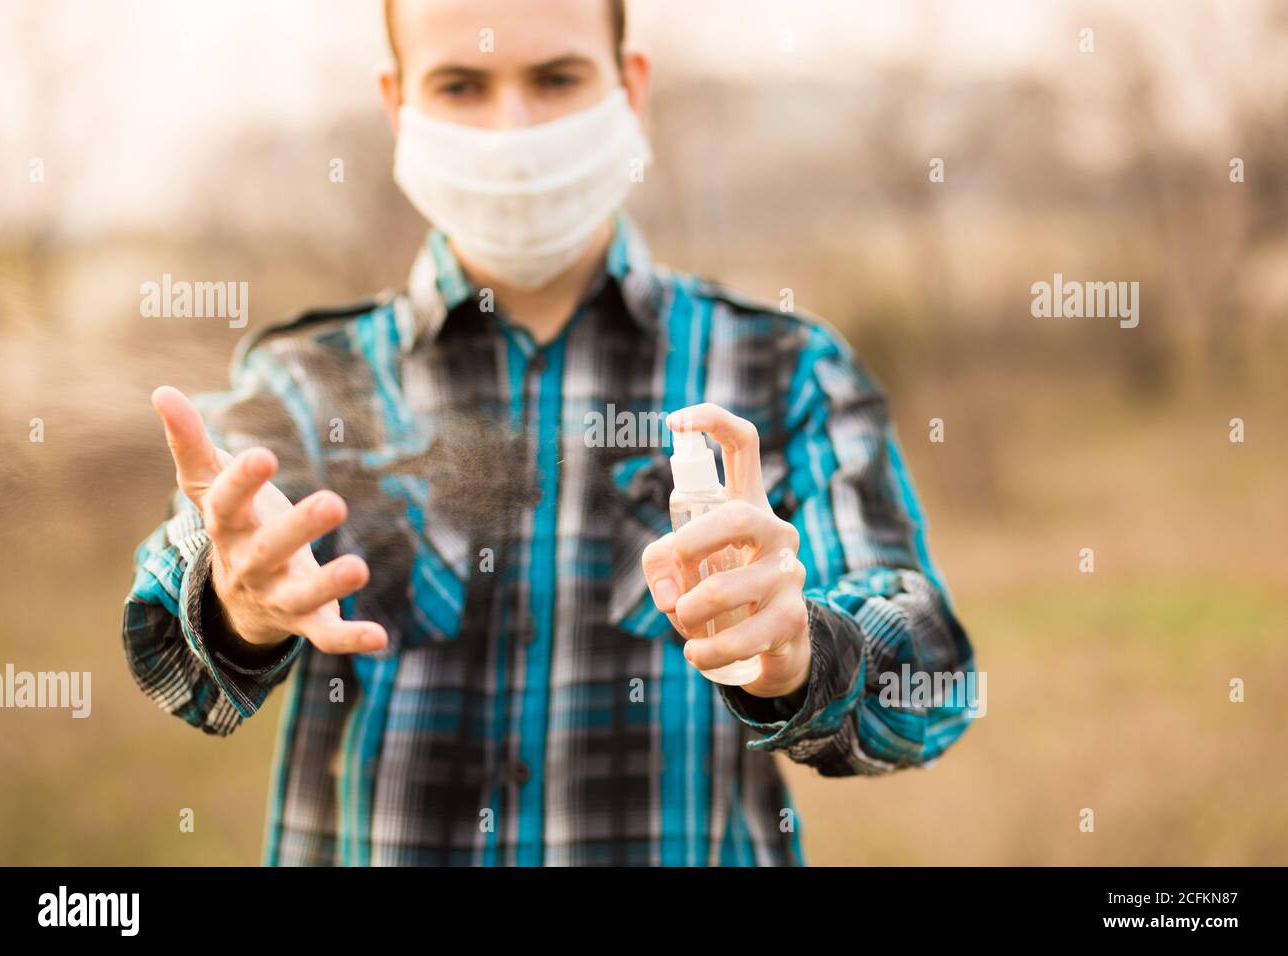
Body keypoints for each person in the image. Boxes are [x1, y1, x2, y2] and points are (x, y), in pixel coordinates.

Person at [122, 0, 976, 866]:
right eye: (461, 83)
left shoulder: (783, 368)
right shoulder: (304, 380)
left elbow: (931, 677)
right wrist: (233, 607)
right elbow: (176, 662)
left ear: (628, 87)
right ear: (398, 104)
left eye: (556, 78)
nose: (512, 127)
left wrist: (801, 653)